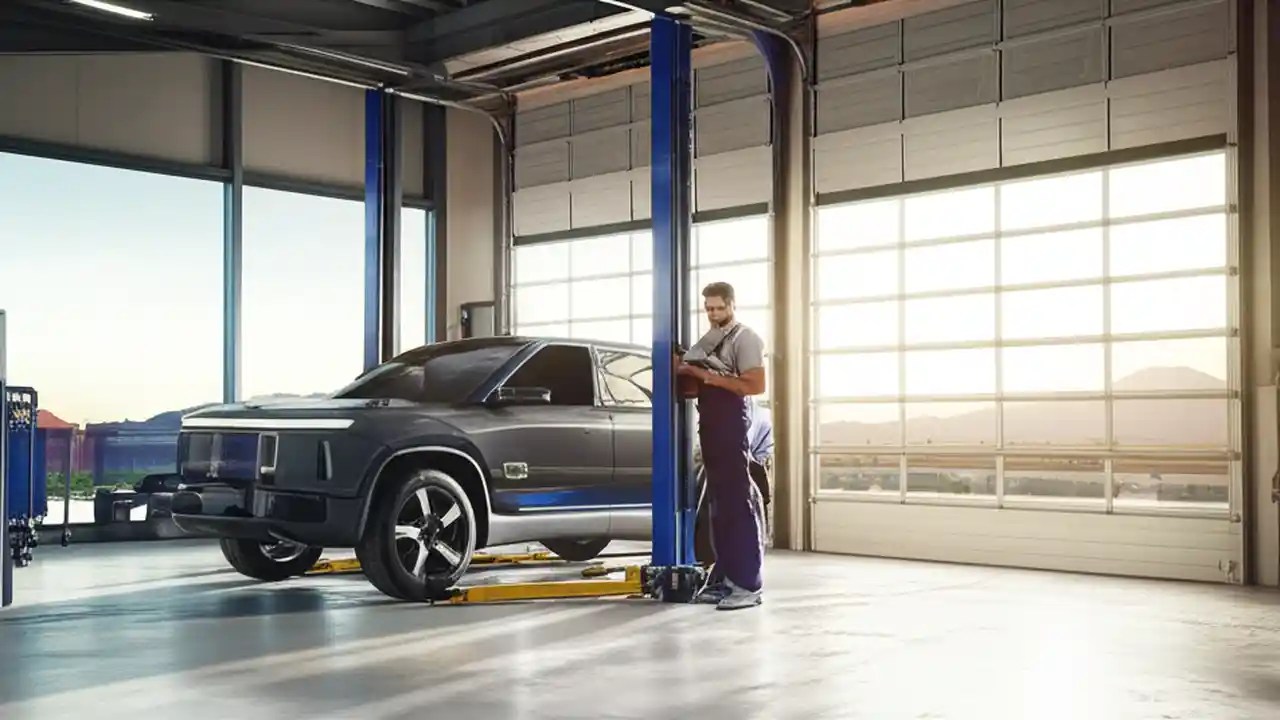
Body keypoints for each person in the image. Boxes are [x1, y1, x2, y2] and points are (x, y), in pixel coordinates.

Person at [677, 281, 767, 611]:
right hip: (711, 421)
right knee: (717, 504)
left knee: (736, 500)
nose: (713, 314)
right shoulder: (711, 340)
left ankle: (748, 584)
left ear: (731, 305)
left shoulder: (746, 338)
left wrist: (707, 377)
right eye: (708, 308)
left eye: (719, 307)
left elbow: (755, 384)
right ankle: (725, 578)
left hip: (731, 420)